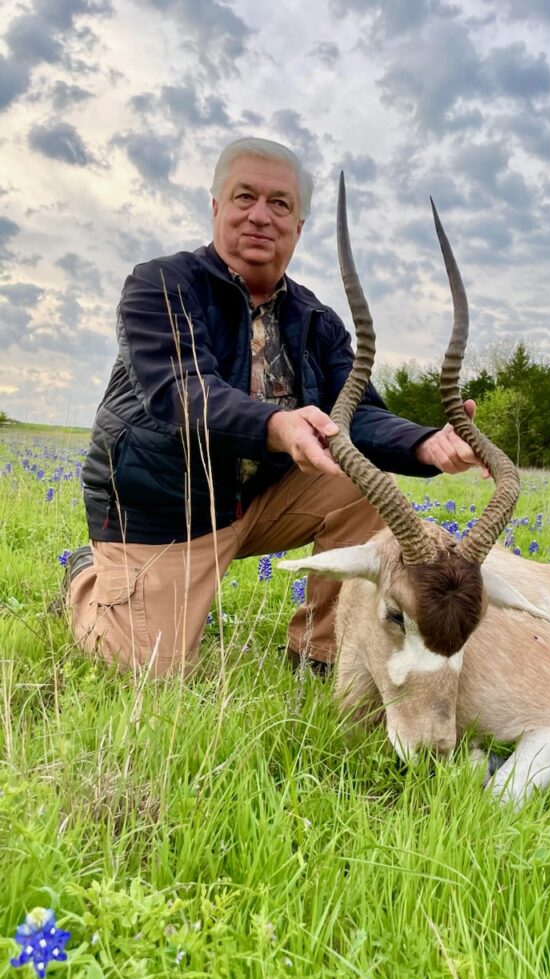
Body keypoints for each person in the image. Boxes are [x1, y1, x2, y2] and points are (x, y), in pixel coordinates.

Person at [66, 137, 484, 678]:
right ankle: (83, 578)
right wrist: (276, 423)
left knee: (364, 477)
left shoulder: (316, 319)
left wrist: (427, 442)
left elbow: (356, 415)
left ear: (298, 226)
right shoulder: (162, 285)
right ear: (217, 207)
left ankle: (318, 648)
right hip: (170, 512)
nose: (260, 216)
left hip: (260, 500)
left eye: (280, 204)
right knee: (148, 671)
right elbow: (180, 391)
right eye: (245, 197)